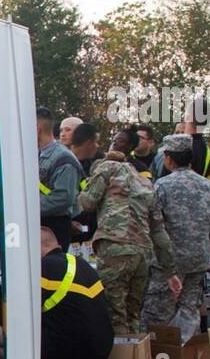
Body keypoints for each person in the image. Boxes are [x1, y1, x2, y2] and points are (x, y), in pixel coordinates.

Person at [0, 227, 112, 359]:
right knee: (61, 326)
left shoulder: (40, 270)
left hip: (71, 351)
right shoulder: (82, 264)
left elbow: (18, 318)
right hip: (101, 351)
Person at [77, 127, 180, 334]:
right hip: (143, 253)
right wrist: (170, 271)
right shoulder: (144, 181)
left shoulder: (107, 168)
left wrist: (80, 192)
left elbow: (87, 202)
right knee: (134, 314)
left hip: (116, 248)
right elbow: (159, 232)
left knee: (115, 315)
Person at [142, 134, 210, 339]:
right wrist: (206, 246)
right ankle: (188, 358)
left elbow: (154, 225)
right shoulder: (209, 185)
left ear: (168, 158)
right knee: (189, 309)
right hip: (199, 258)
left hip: (170, 262)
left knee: (157, 314)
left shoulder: (162, 185)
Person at [37, 107, 82, 251]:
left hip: (55, 227)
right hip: (40, 223)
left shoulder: (64, 159)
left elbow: (63, 197)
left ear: (37, 129)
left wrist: (28, 208)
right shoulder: (37, 154)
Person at [70, 122, 103, 243]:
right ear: (88, 143)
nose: (97, 146)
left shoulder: (94, 165)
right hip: (68, 232)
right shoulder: (65, 163)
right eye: (96, 142)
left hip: (89, 236)